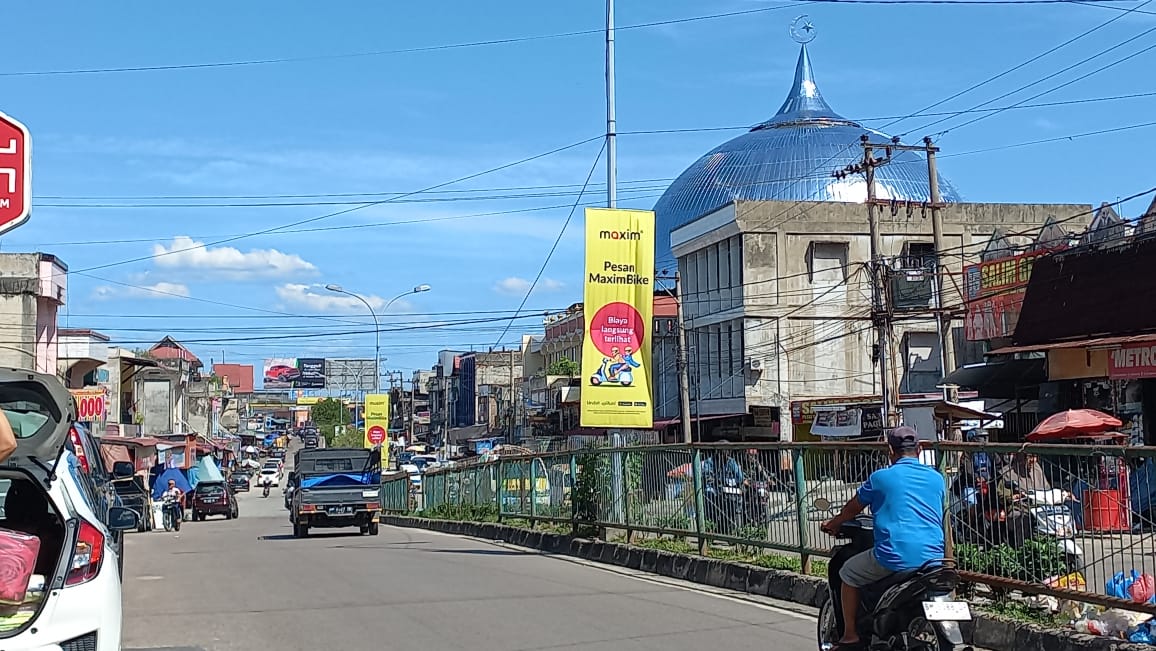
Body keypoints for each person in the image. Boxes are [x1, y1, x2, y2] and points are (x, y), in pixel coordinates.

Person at [821, 427, 947, 650]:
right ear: (919, 449)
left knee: (848, 573)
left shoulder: (881, 478)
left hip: (896, 557)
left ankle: (850, 636)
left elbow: (852, 508)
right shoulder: (937, 479)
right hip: (935, 559)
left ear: (890, 451)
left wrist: (834, 523)